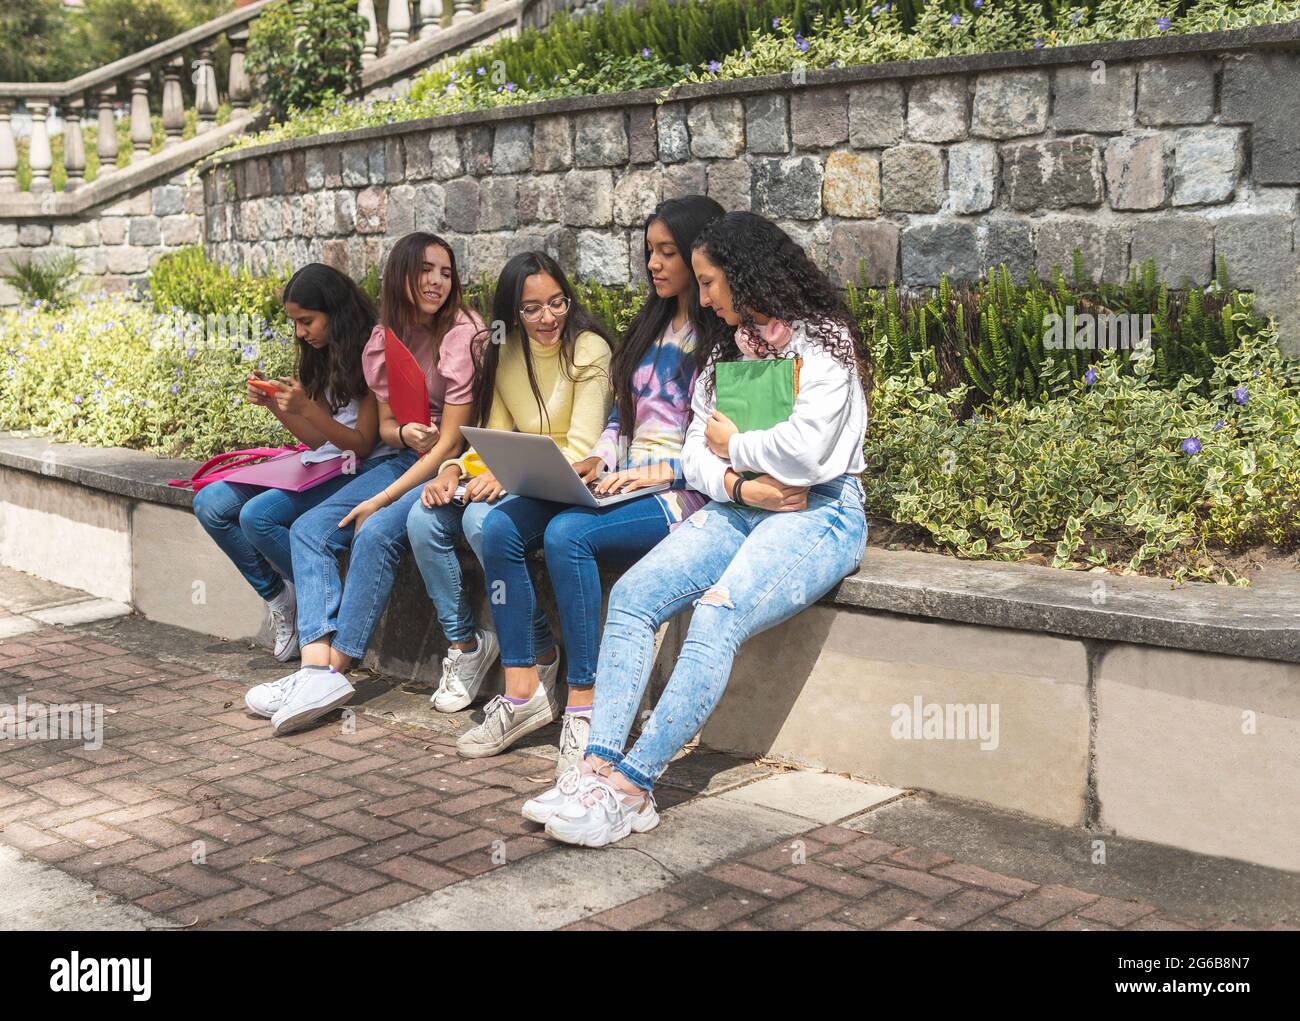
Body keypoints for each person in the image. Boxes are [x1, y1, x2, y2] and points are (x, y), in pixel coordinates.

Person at [524, 211, 871, 846]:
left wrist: (737, 443)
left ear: (746, 275)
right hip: (740, 505)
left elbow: (812, 455)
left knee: (717, 614)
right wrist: (740, 481)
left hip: (820, 509)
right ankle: (596, 767)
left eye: (710, 282)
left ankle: (634, 787)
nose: (704, 296)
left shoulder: (825, 341)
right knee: (631, 597)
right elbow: (691, 454)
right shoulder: (729, 346)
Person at [245, 232, 483, 736]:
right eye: (426, 271)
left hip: (452, 465)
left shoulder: (464, 333)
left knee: (373, 532)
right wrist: (405, 431)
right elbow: (389, 428)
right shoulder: (386, 339)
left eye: (445, 271)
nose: (438, 281)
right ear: (401, 275)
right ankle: (314, 669)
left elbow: (450, 443)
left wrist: (382, 497)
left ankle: (333, 671)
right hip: (402, 457)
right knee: (309, 530)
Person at [405, 250, 612, 762]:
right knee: (422, 515)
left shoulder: (590, 349)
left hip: (566, 483)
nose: (548, 318)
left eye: (557, 303)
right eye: (532, 308)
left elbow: (581, 448)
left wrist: (503, 474)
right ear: (511, 313)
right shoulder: (507, 352)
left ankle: (537, 665)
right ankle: (488, 652)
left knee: (484, 519)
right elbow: (495, 435)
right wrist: (454, 467)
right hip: (518, 473)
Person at [192, 263, 390, 663]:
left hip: (354, 467)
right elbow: (316, 439)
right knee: (210, 504)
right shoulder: (318, 353)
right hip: (321, 460)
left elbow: (362, 445)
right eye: (296, 323)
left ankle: (320, 593)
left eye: (307, 321)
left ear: (336, 311)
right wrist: (279, 408)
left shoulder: (372, 349)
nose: (301, 332)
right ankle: (283, 596)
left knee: (256, 517)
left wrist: (306, 409)